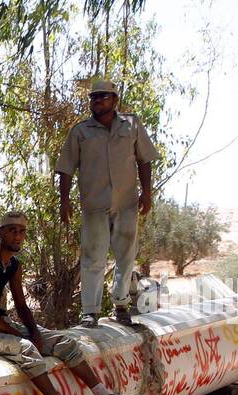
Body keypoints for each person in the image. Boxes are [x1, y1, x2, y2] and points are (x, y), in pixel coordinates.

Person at [0, 212, 142, 395]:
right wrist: (21, 336)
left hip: (0, 322)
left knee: (65, 342)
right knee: (26, 348)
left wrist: (34, 332)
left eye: (22, 232)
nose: (18, 236)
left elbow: (21, 306)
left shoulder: (13, 265)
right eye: (12, 231)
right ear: (0, 233)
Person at [55, 78, 160, 327]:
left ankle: (121, 305)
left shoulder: (131, 125)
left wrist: (147, 193)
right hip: (94, 205)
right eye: (94, 97)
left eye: (103, 96)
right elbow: (66, 168)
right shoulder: (80, 132)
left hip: (126, 203)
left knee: (125, 256)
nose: (97, 100)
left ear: (114, 99)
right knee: (93, 258)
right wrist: (64, 200)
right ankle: (89, 312)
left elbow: (145, 160)